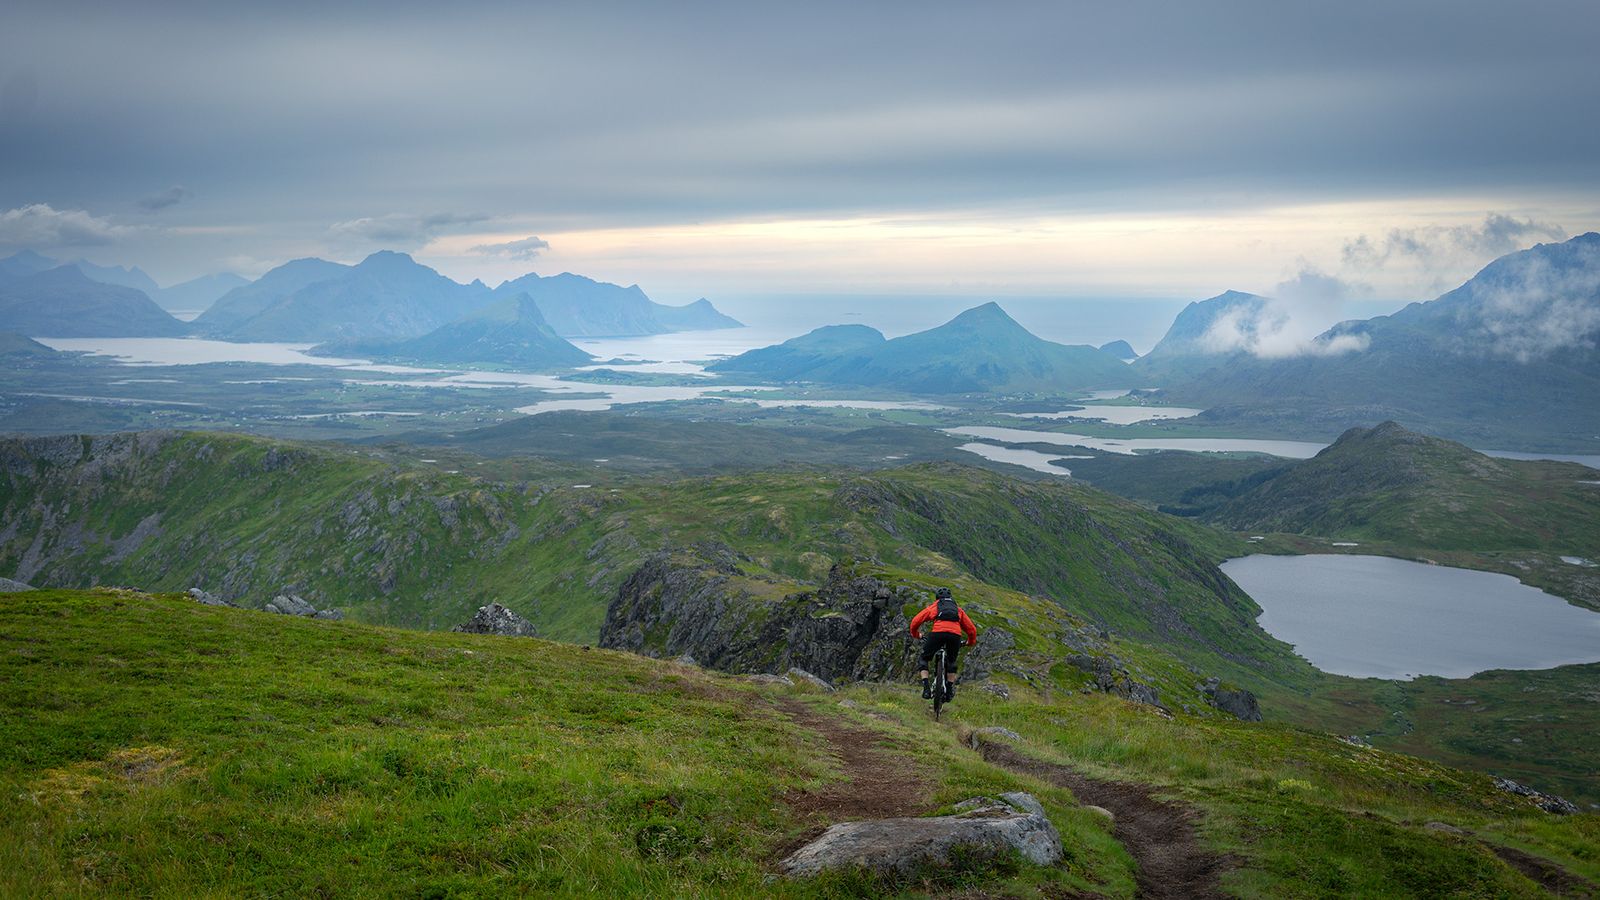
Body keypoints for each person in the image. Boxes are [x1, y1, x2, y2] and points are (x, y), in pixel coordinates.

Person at [909, 587, 978, 702]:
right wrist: (969, 642)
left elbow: (915, 621)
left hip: (937, 634)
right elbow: (972, 630)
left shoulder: (934, 607)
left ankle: (926, 688)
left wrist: (917, 635)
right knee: (951, 662)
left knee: (924, 658)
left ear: (937, 598)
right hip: (955, 636)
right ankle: (949, 691)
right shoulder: (958, 610)